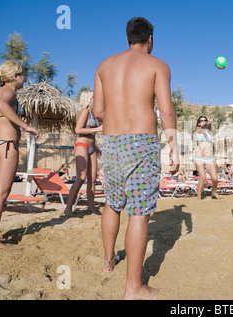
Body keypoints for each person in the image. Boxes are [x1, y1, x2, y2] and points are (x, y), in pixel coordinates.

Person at [93, 17, 179, 300]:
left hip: (112, 140)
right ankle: (134, 287)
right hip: (141, 141)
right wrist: (174, 145)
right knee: (140, 213)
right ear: (150, 39)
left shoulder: (104, 66)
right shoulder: (157, 65)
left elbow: (98, 111)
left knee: (112, 203)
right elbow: (166, 110)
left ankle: (109, 261)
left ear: (128, 37)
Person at [0, 60, 39, 250]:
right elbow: (2, 106)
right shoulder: (8, 92)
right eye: (23, 75)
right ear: (15, 76)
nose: (25, 78)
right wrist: (25, 125)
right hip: (6, 145)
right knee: (1, 193)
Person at [64, 91, 102, 215]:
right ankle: (68, 207)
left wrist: (95, 146)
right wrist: (98, 129)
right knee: (81, 178)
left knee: (92, 179)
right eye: (95, 98)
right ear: (89, 99)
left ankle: (91, 207)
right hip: (82, 146)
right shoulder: (85, 111)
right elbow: (78, 130)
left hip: (91, 148)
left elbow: (90, 132)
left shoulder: (94, 114)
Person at [194, 115, 219, 199]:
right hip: (199, 158)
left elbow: (207, 126)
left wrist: (210, 122)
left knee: (215, 179)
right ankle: (198, 197)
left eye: (205, 120)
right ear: (198, 123)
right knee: (203, 177)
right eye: (201, 120)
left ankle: (214, 192)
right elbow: (204, 126)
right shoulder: (197, 130)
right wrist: (209, 121)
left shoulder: (209, 131)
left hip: (209, 158)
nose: (203, 121)